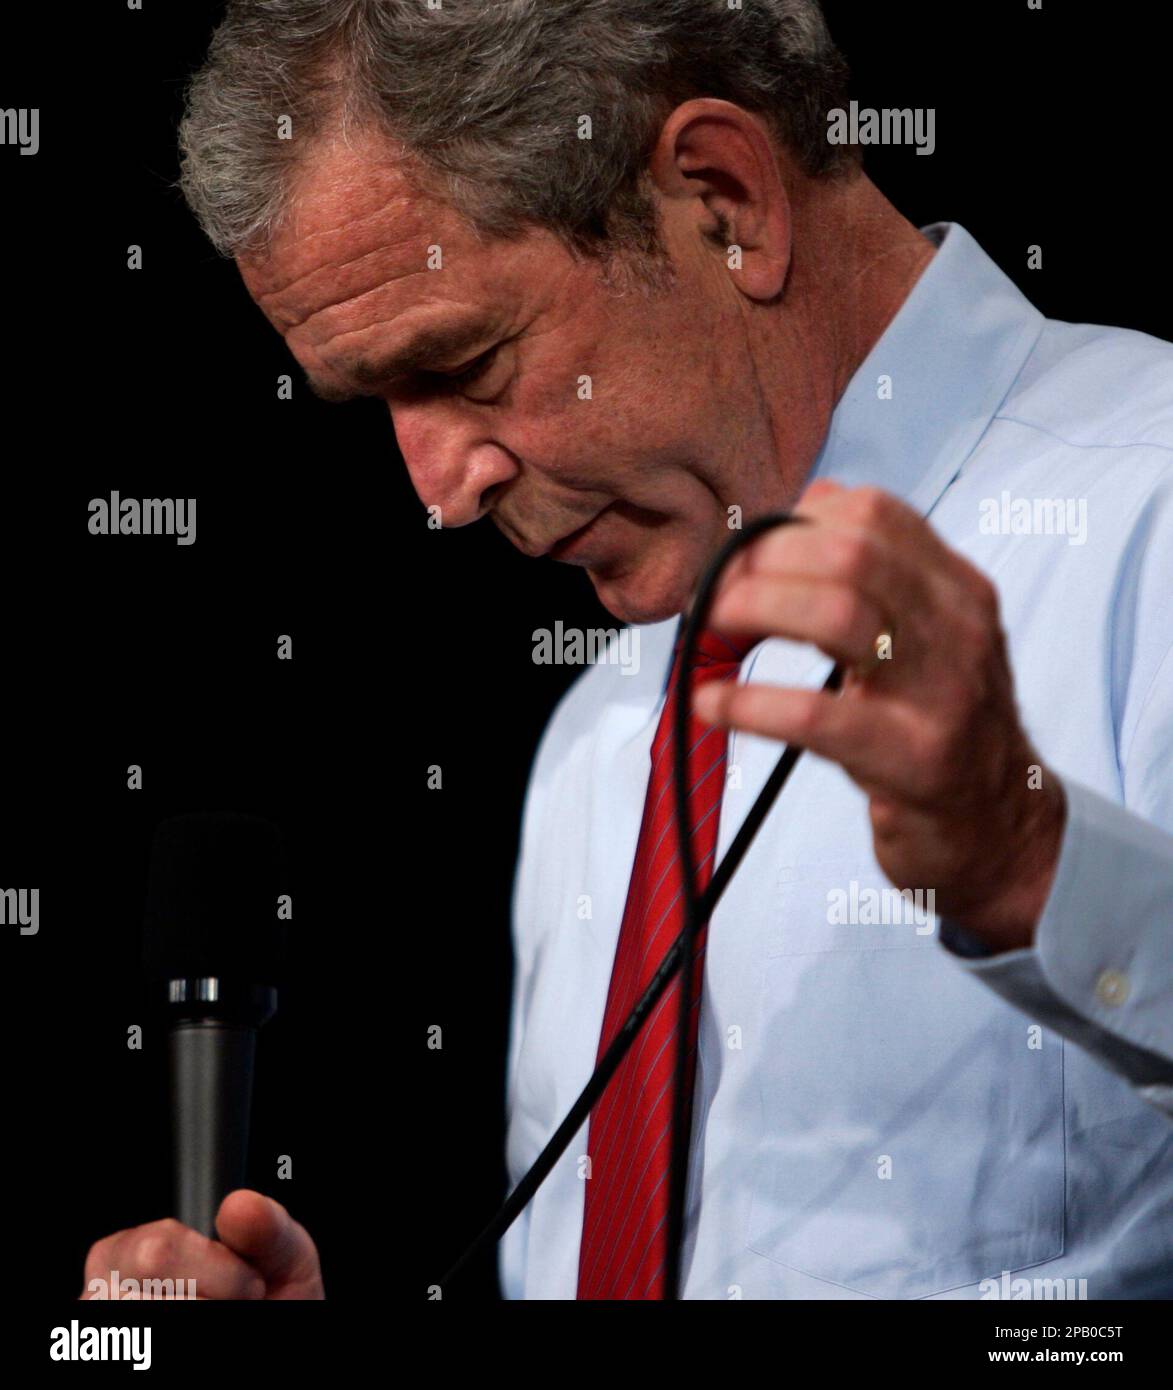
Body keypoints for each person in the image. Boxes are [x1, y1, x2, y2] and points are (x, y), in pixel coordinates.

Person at [84, 0, 1171, 1300]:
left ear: (722, 200)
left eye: (468, 364)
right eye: (377, 403)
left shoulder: (1151, 511)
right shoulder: (600, 730)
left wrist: (1032, 863)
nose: (436, 489)